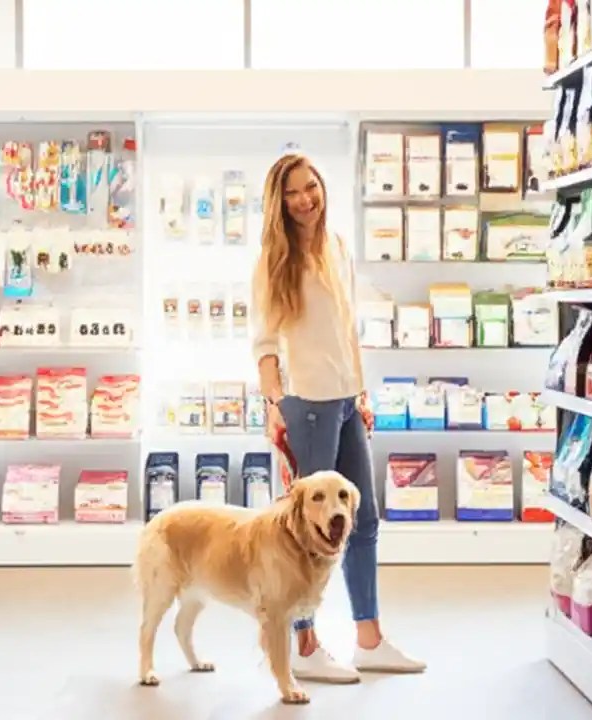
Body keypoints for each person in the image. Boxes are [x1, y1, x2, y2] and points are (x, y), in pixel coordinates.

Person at [250, 153, 426, 683]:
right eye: (292, 193)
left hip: (346, 401)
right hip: (306, 406)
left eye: (311, 187)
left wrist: (361, 390)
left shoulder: (337, 248)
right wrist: (274, 405)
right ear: (278, 203)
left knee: (362, 520)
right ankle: (304, 646)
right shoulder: (273, 261)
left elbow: (347, 329)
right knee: (304, 531)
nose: (305, 199)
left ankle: (369, 640)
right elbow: (264, 345)